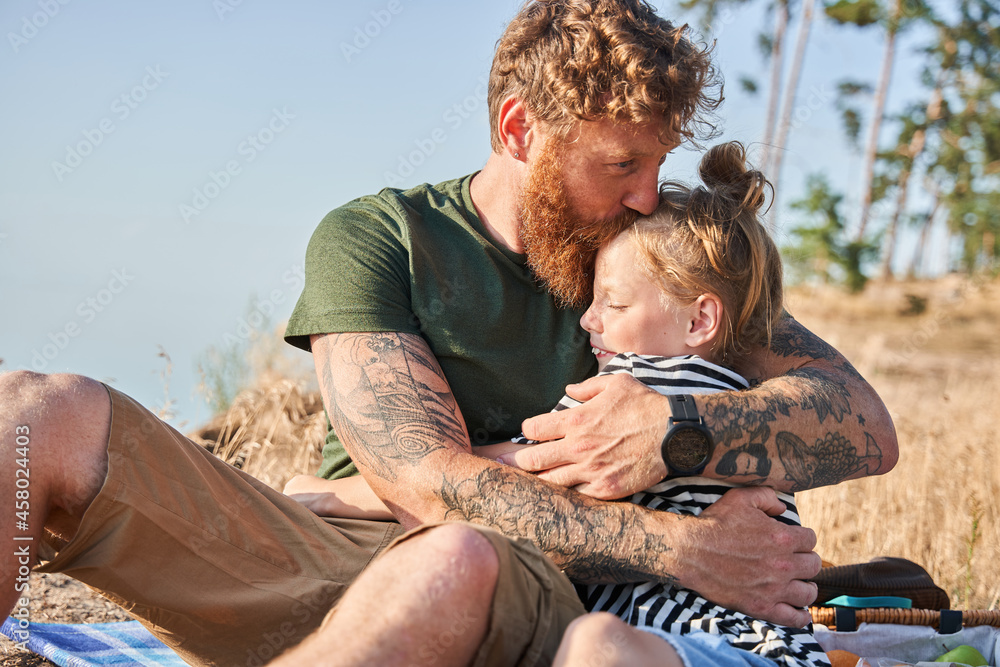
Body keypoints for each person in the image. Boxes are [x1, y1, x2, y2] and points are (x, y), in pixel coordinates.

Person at [1, 2, 896, 666]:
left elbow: (863, 420)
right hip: (316, 559)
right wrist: (684, 549)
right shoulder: (379, 236)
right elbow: (428, 481)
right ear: (520, 129)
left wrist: (675, 433)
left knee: (453, 557)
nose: (644, 193)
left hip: (521, 587)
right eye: (621, 161)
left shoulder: (649, 262)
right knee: (39, 411)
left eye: (657, 163)